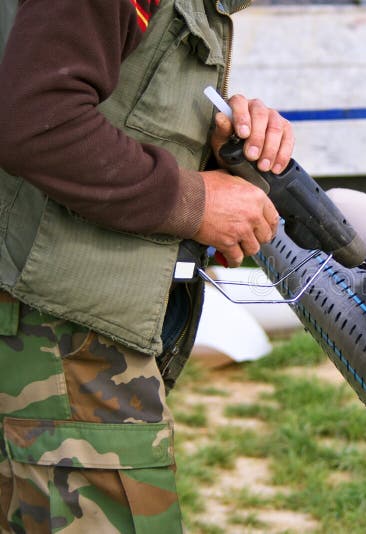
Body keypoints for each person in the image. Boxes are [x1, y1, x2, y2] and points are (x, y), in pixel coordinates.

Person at [0, 0, 293, 531]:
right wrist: (194, 201)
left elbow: (96, 102)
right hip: (56, 331)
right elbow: (40, 120)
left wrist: (214, 145)